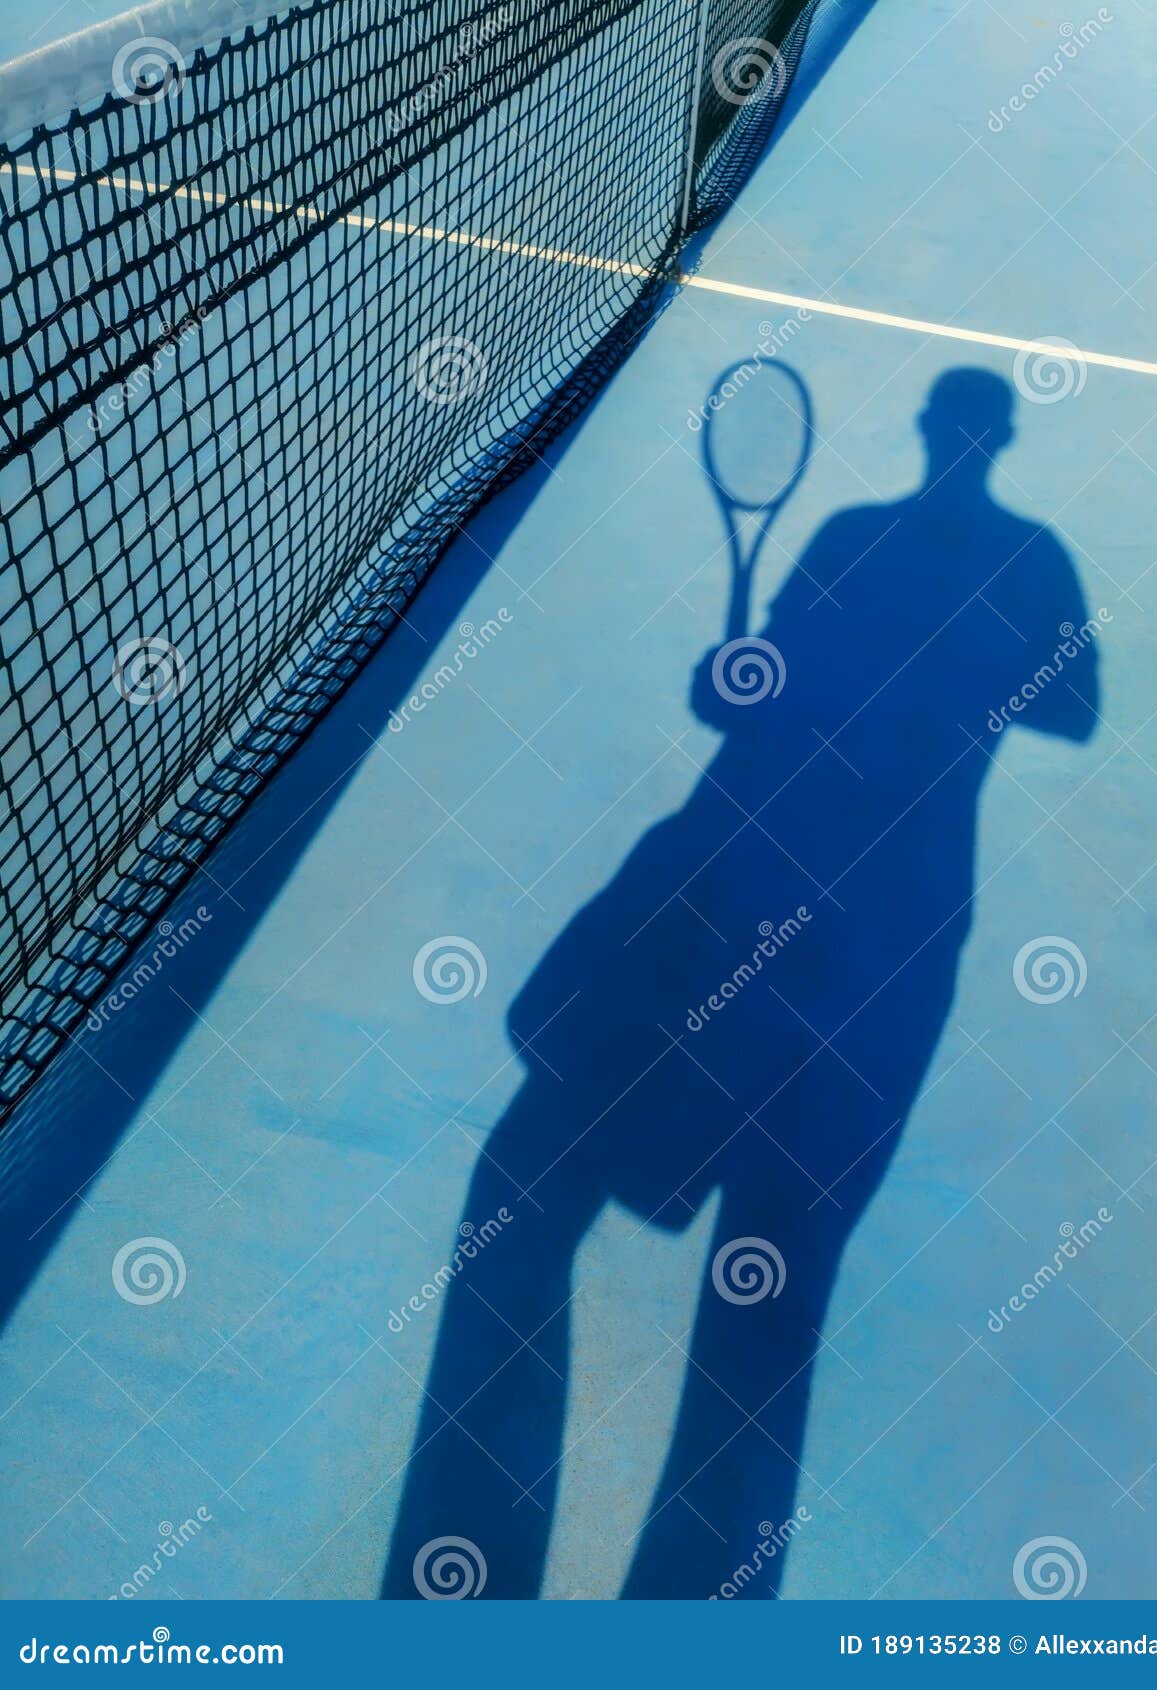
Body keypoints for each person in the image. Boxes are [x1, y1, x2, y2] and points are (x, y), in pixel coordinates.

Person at [382, 367, 1100, 1599]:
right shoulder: (940, 552)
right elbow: (752, 686)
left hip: (785, 925)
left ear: (951, 433)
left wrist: (903, 676)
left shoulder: (966, 560)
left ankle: (475, 1590)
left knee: (650, 1240)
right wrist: (752, 683)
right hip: (807, 925)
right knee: (744, 1287)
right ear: (971, 435)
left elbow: (1070, 706)